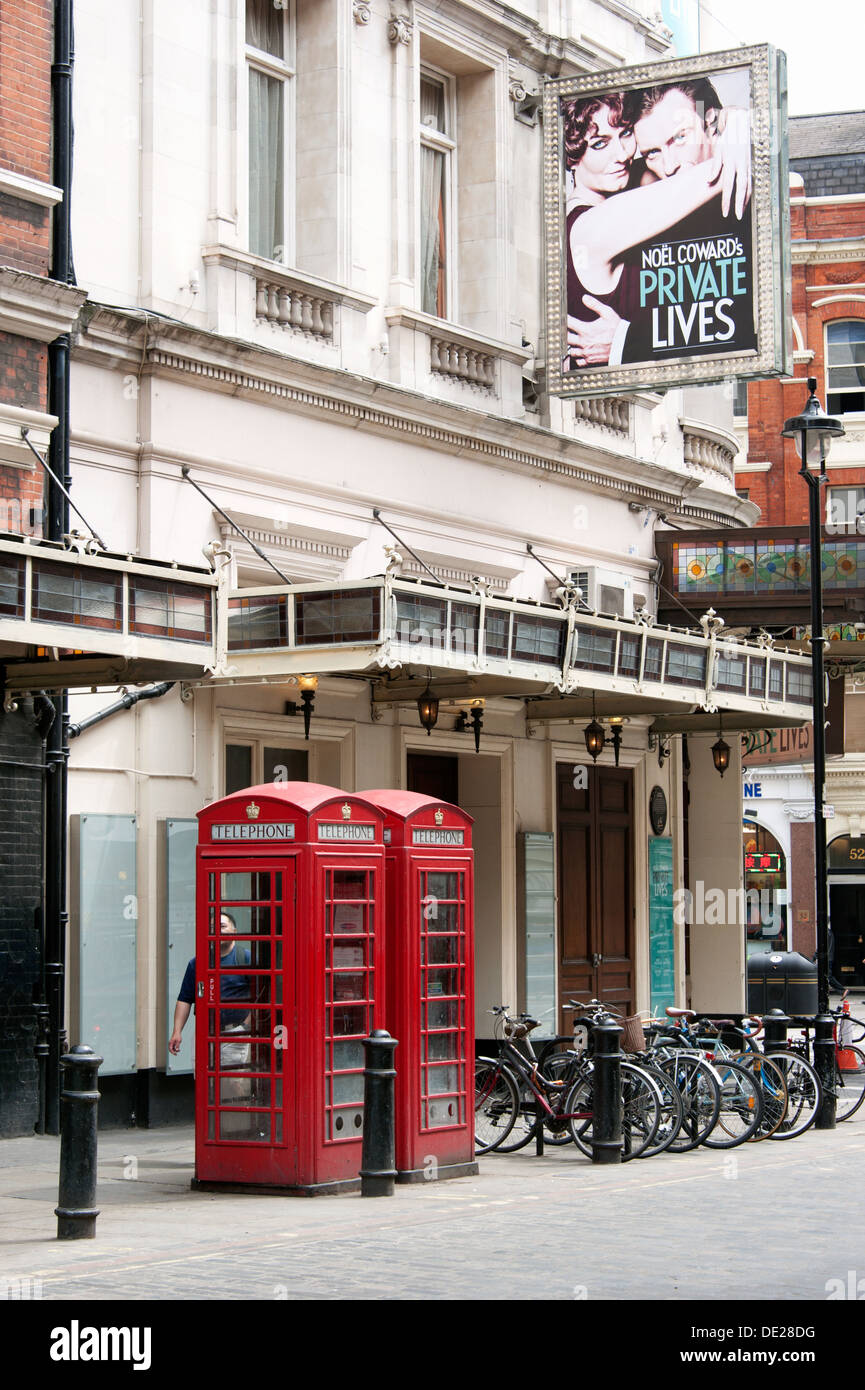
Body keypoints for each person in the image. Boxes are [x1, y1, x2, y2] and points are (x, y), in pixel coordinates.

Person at [566, 77, 753, 369]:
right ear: (571, 156)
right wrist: (743, 139)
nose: (668, 166)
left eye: (680, 138)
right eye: (652, 152)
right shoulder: (591, 227)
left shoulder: (638, 183)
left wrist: (737, 122)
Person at [169, 912, 251, 1061]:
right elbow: (185, 999)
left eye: (222, 926)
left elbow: (263, 996)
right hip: (204, 1034)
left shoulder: (246, 958)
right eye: (213, 927)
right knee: (204, 1082)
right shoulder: (197, 963)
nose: (217, 930)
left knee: (234, 1083)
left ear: (234, 931)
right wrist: (177, 1031)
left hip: (235, 1033)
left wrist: (245, 1026)